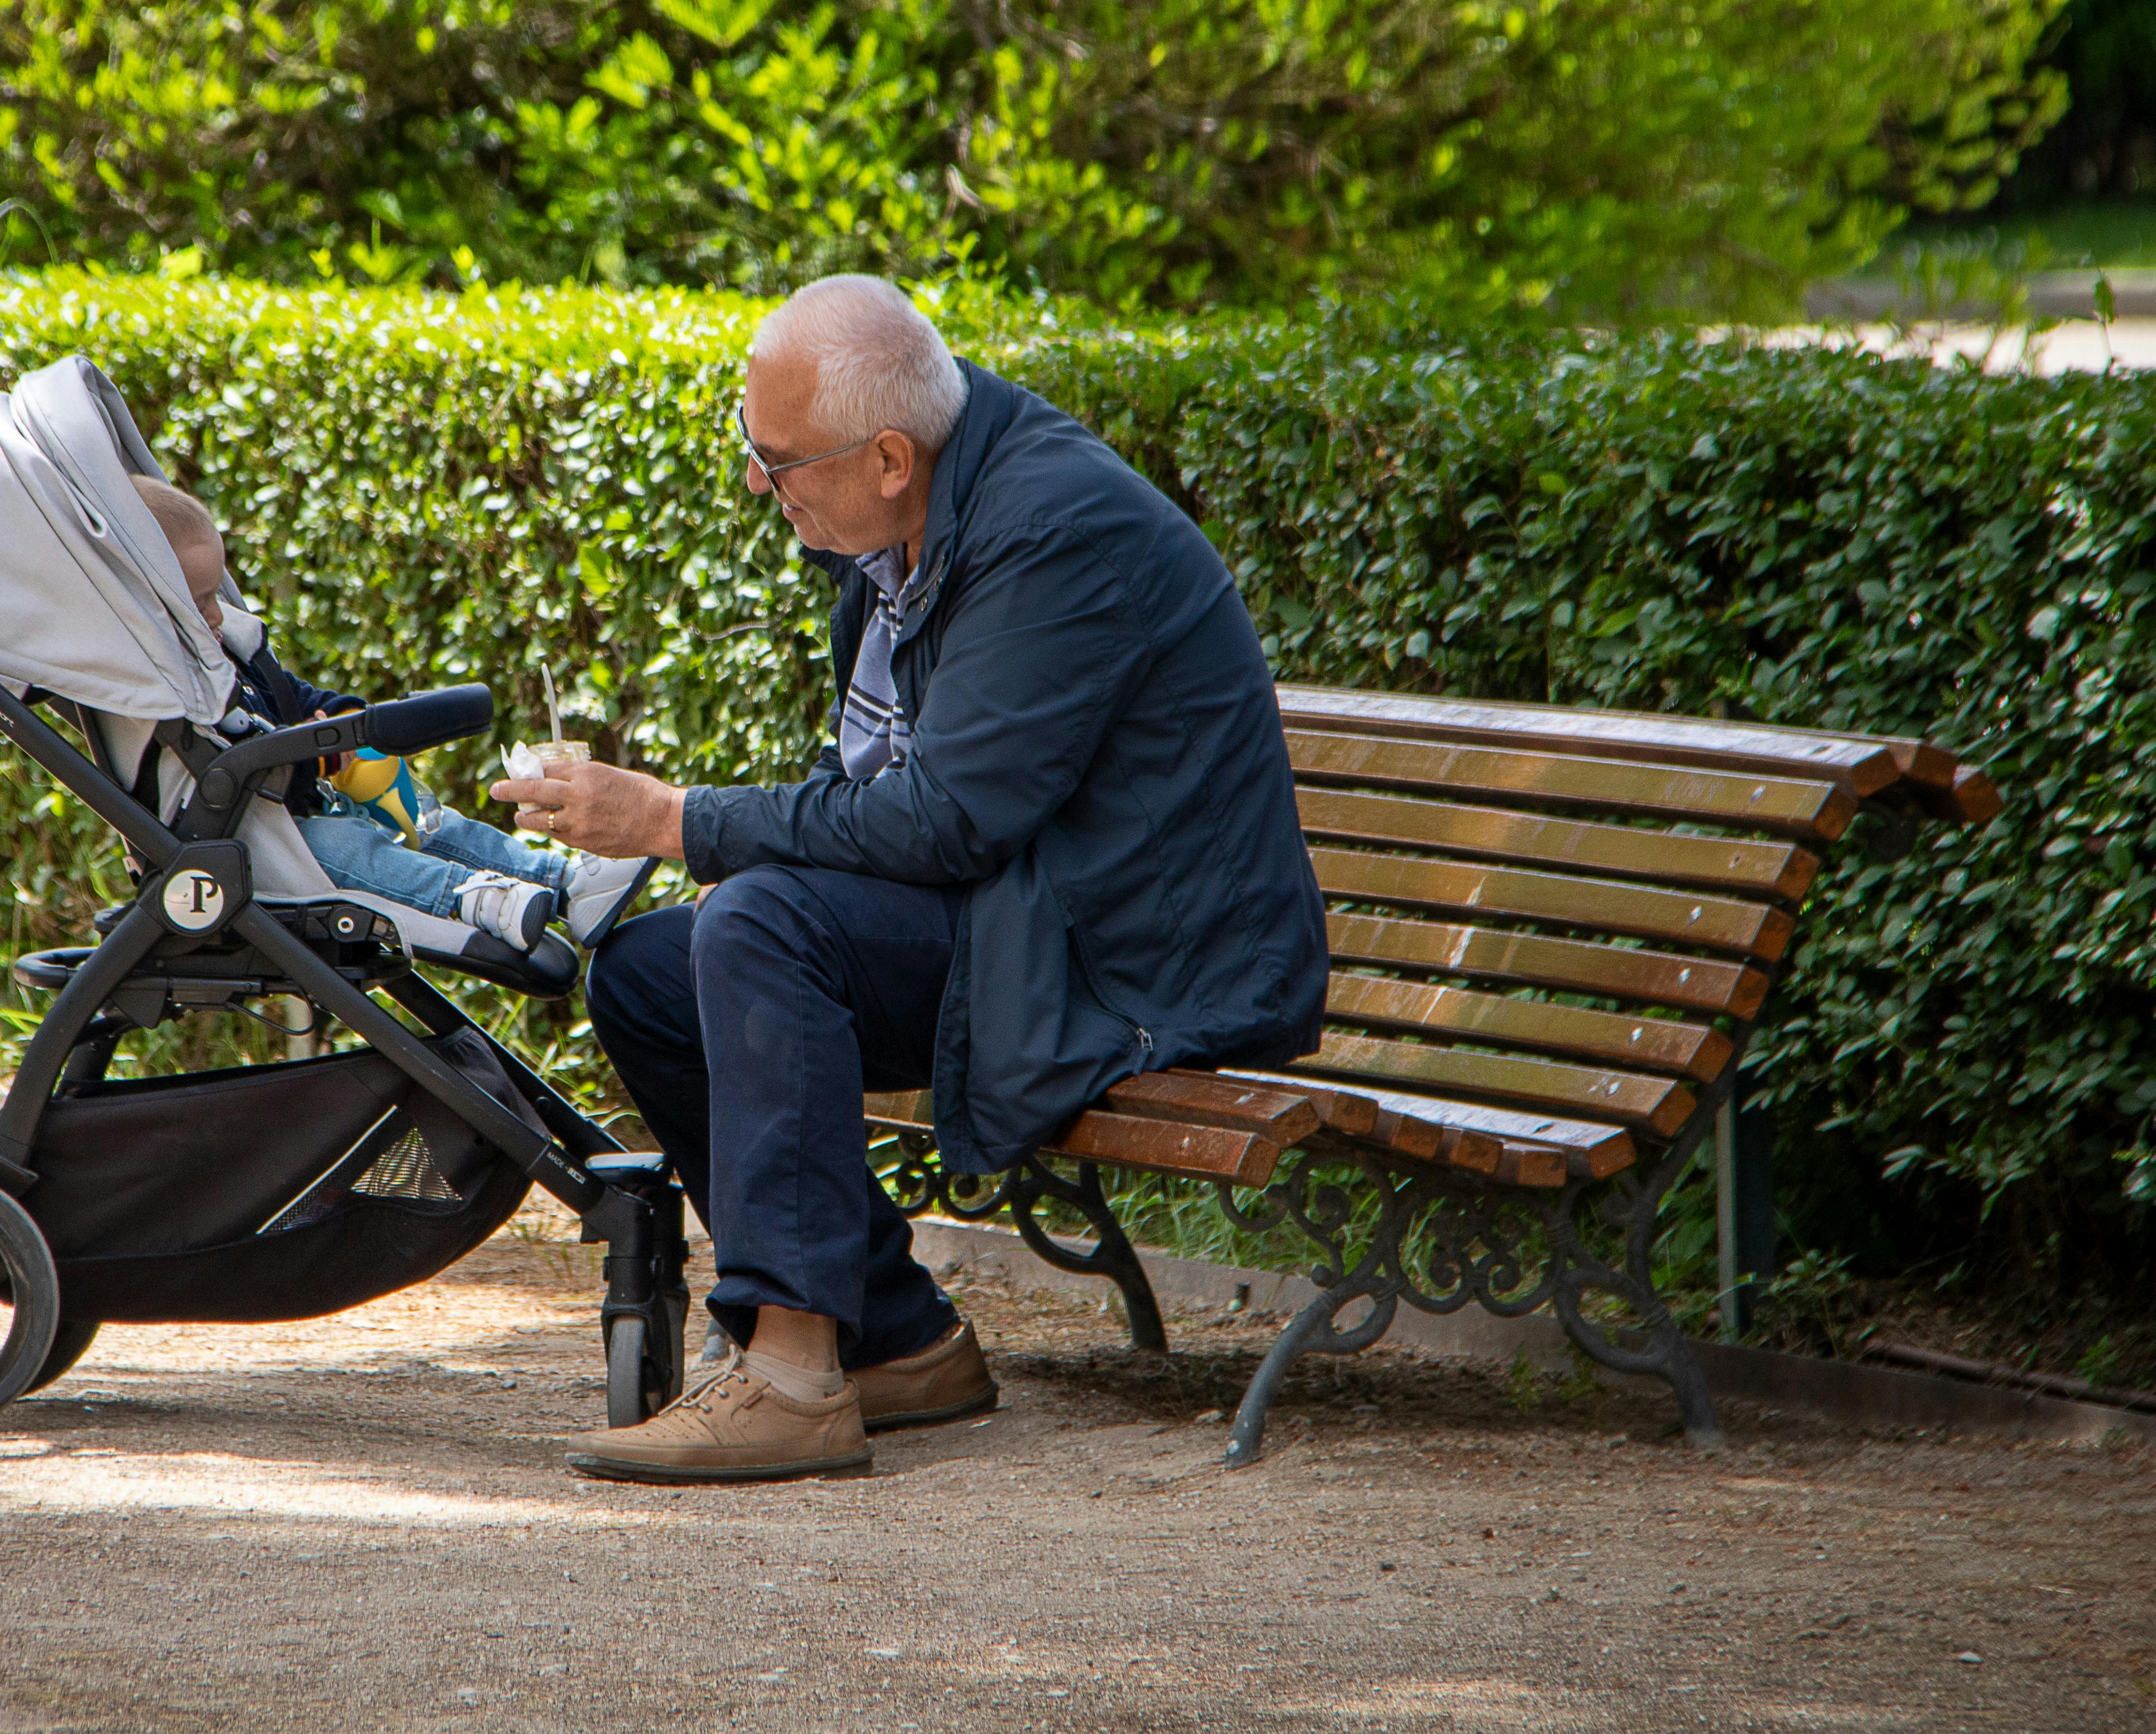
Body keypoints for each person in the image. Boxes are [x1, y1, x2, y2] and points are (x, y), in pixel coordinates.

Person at [492, 276, 1328, 1484]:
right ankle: (895, 1334)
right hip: (1028, 914)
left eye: (777, 463)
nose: (756, 486)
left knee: (761, 922)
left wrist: (677, 818)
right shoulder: (908, 516)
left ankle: (790, 1376)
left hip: (1134, 964)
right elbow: (899, 805)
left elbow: (941, 821)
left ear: (889, 455)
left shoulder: (1051, 529)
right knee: (646, 975)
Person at [129, 477, 653, 953]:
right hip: (257, 849)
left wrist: (346, 721)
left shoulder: (233, 654)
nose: (218, 615)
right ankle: (478, 899)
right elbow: (238, 761)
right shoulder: (169, 692)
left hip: (315, 807)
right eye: (200, 604)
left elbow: (296, 696)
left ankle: (564, 883)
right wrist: (313, 752)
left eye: (216, 594)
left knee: (430, 820)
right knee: (349, 844)